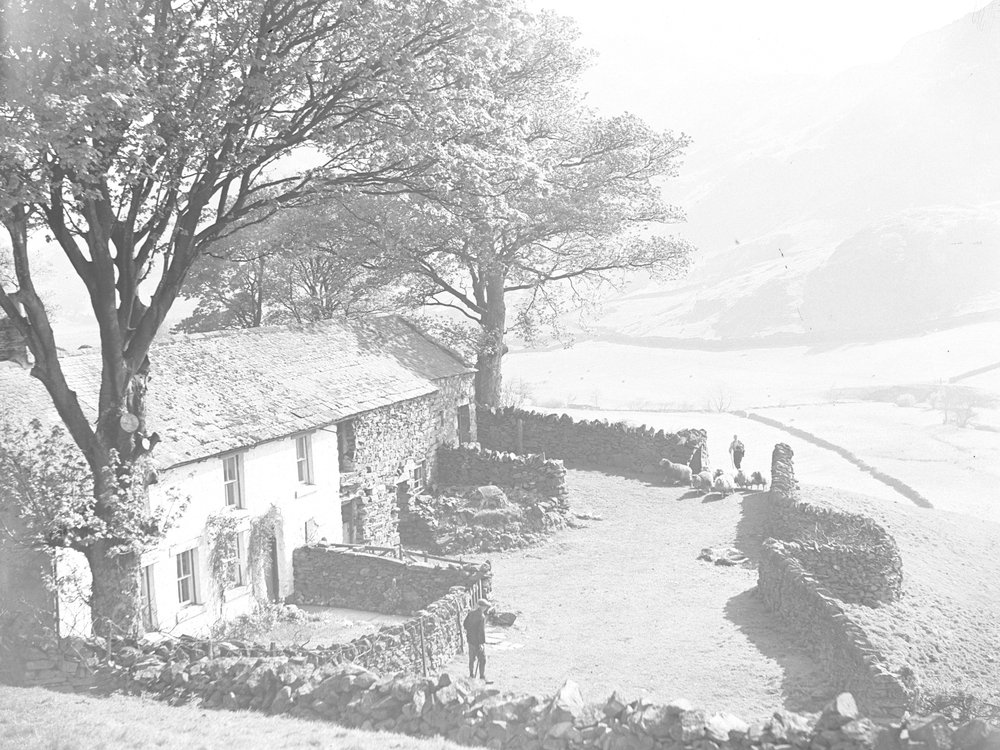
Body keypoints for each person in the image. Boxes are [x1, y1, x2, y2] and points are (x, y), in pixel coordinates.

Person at [463, 598, 491, 682]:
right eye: (485, 607)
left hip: (470, 640)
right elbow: (481, 632)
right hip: (477, 642)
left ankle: (471, 675)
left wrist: (470, 633)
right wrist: (481, 644)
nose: (486, 608)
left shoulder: (470, 614)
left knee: (471, 659)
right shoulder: (481, 617)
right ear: (482, 607)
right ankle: (482, 676)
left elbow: (465, 625)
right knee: (482, 659)